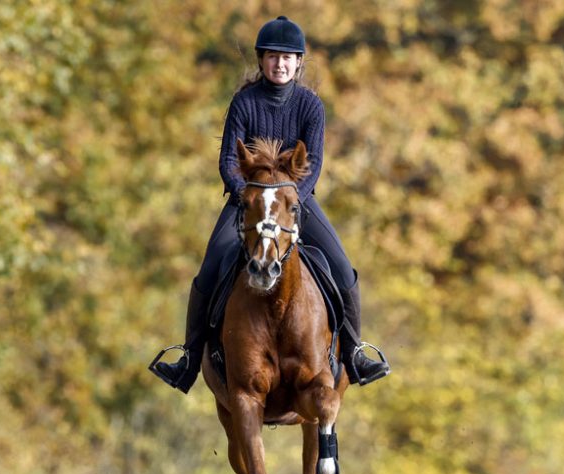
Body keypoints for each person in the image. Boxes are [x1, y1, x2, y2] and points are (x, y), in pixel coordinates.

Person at [150, 16, 389, 393]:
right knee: (211, 268)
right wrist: (247, 195)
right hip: (248, 203)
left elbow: (314, 166)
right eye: (273, 57)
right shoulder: (244, 102)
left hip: (296, 203)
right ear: (262, 61)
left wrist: (291, 199)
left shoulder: (311, 106)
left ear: (298, 63)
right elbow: (229, 160)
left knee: (342, 269)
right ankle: (189, 359)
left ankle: (356, 352)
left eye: (288, 58)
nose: (280, 64)